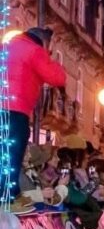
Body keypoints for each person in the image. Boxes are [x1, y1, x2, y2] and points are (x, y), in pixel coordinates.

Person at [5, 27, 66, 200]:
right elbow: (57, 77)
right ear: (45, 42)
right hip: (16, 110)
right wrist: (49, 57)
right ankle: (9, 197)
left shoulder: (5, 47)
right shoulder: (34, 50)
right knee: (13, 155)